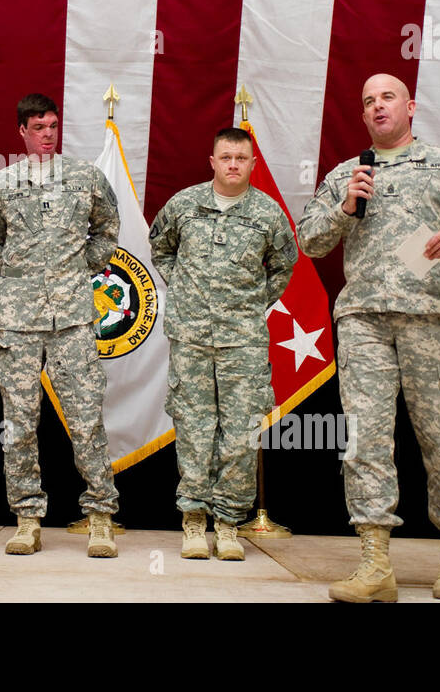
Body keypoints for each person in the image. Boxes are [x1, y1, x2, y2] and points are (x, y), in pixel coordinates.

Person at [296, 73, 440, 602]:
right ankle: (375, 564)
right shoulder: (348, 174)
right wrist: (346, 207)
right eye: (368, 101)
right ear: (363, 115)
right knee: (364, 440)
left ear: (409, 107)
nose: (377, 106)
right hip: (364, 321)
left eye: (387, 97)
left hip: (433, 320)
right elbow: (310, 241)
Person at [0, 93, 122, 558]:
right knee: (18, 424)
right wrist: (19, 279)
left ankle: (100, 516)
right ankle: (27, 518)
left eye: (53, 126)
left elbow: (108, 229)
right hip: (18, 322)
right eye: (38, 128)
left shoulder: (85, 177)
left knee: (86, 420)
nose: (47, 135)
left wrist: (77, 270)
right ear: (22, 131)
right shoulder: (3, 182)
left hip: (72, 319)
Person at [149, 127, 296, 561]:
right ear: (212, 161)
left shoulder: (268, 213)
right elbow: (160, 247)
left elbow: (284, 266)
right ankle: (194, 519)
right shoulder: (184, 205)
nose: (233, 165)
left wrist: (249, 304)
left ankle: (229, 523)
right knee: (194, 428)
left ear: (252, 164)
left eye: (241, 158)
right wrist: (185, 290)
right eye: (226, 157)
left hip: (243, 341)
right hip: (191, 337)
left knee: (240, 432)